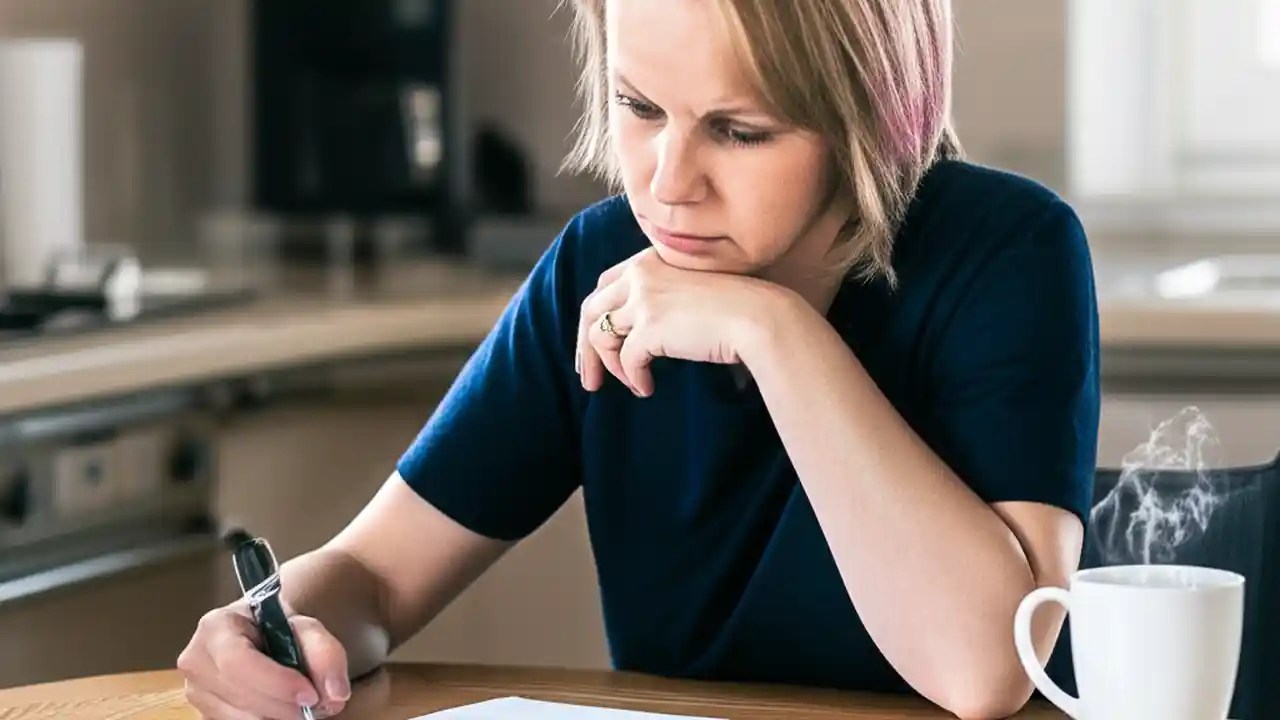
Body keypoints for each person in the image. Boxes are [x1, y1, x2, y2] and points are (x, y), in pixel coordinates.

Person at [177, 0, 1099, 718]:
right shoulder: (598, 264)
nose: (665, 182)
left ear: (881, 111)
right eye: (638, 106)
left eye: (739, 131)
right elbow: (375, 578)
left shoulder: (1011, 253)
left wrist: (772, 333)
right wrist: (272, 630)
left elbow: (984, 672)